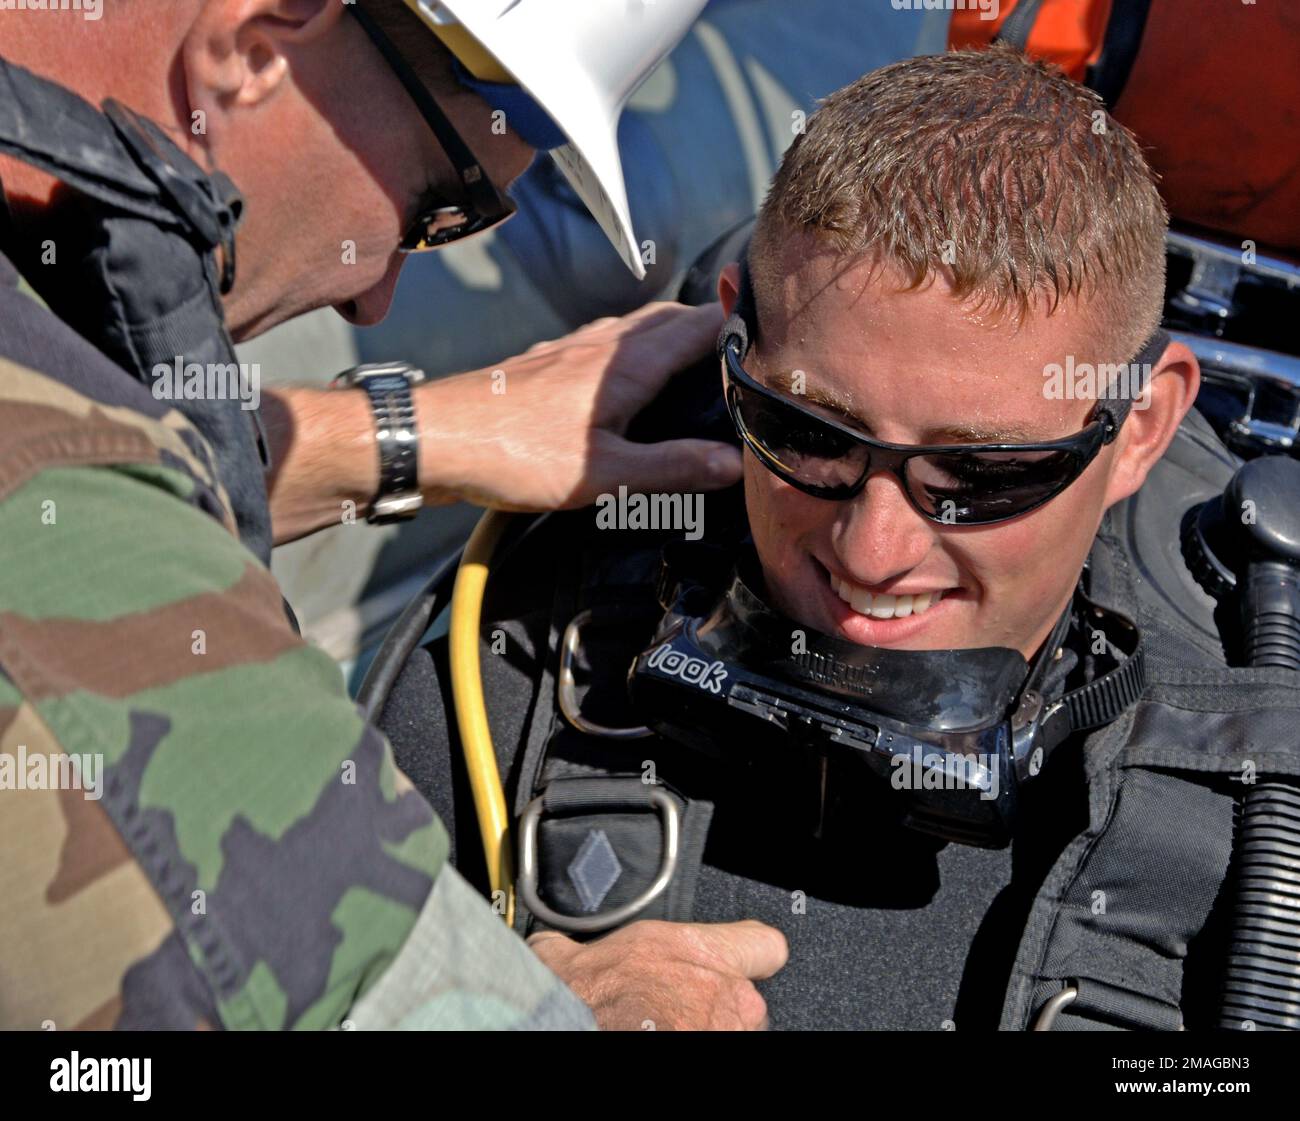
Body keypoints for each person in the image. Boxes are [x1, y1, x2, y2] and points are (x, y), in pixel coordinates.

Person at [379, 45, 1300, 1030]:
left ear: (1139, 429)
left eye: (979, 475)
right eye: (807, 433)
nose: (869, 551)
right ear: (735, 332)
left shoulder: (1261, 840)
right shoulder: (493, 710)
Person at [0, 0, 789, 1030]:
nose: (375, 297)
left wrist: (404, 435)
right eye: (439, 204)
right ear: (252, 45)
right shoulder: (86, 606)